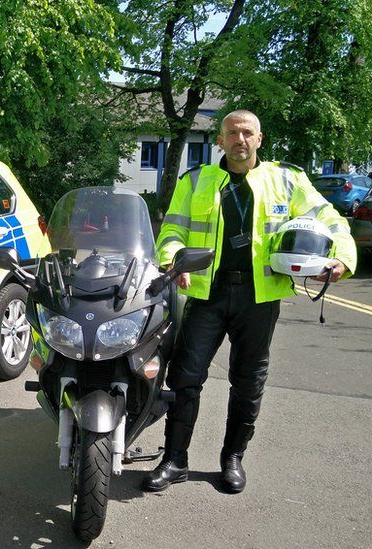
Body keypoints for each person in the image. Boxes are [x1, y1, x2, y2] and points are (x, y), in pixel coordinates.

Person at [143, 110, 357, 494]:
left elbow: (330, 217)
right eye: (231, 133)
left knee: (248, 382)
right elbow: (172, 227)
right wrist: (174, 256)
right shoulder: (196, 181)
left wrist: (343, 255)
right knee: (185, 378)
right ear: (220, 141)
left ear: (259, 138)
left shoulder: (286, 180)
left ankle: (232, 459)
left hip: (258, 297)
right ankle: (175, 460)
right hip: (207, 293)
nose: (239, 139)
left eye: (247, 133)